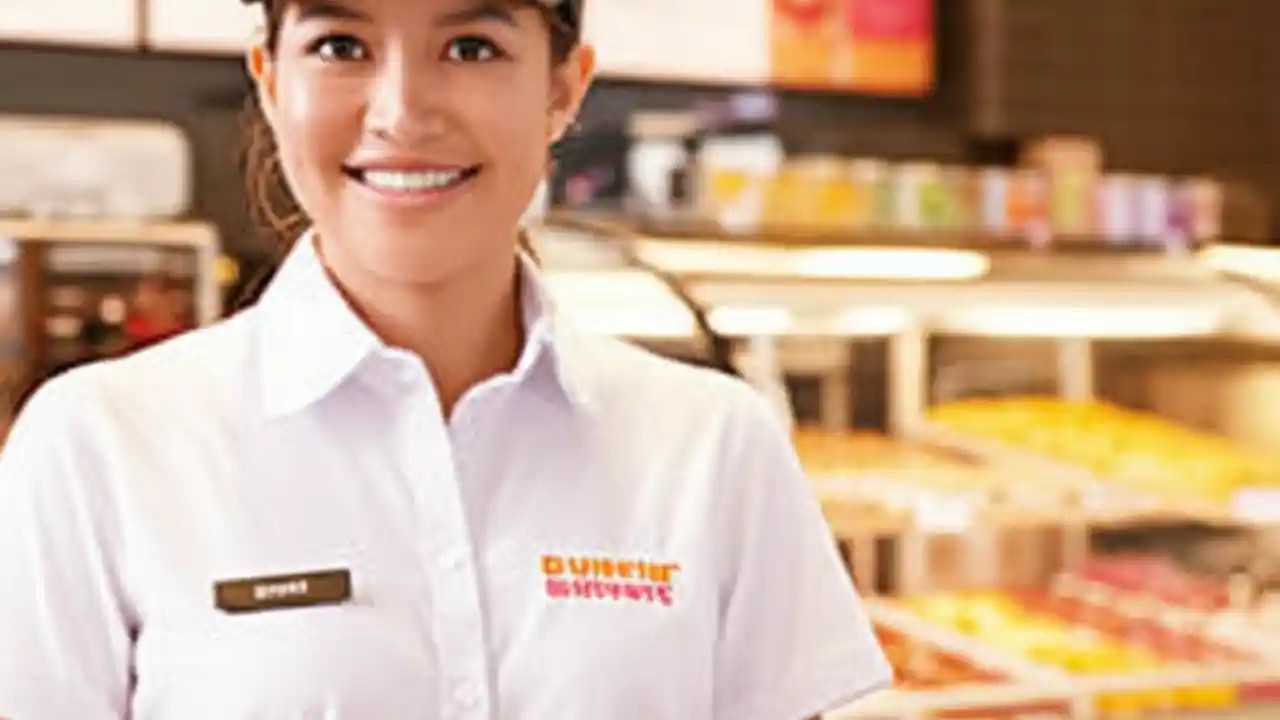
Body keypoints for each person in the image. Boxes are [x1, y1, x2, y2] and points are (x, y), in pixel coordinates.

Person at [0, 0, 891, 717]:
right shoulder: (94, 447)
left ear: (564, 88)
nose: (400, 112)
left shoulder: (713, 446)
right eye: (341, 43)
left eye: (471, 46)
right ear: (270, 82)